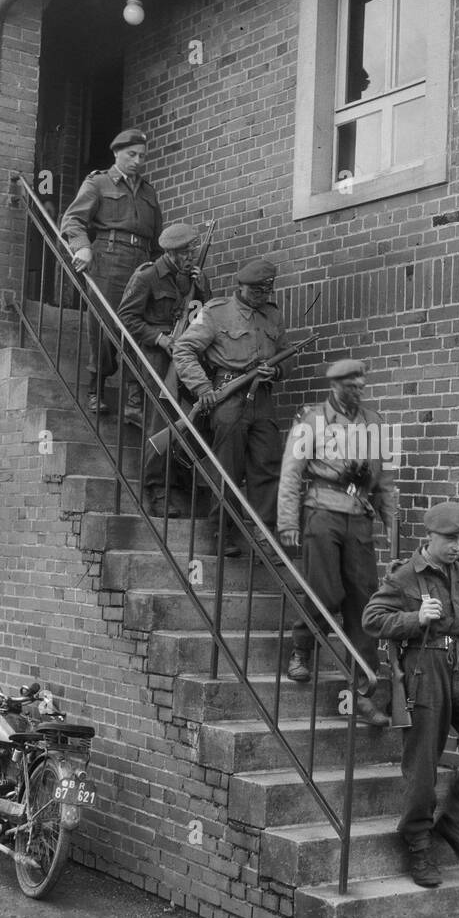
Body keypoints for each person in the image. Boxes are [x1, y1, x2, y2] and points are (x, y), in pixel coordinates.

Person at [361, 501, 459, 888]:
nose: (458, 546)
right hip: (424, 669)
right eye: (451, 539)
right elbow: (372, 619)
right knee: (424, 767)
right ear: (430, 536)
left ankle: (454, 818)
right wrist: (415, 619)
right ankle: (418, 846)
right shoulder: (405, 576)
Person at [277, 359, 396, 727]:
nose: (358, 390)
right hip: (322, 512)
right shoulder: (311, 420)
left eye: (361, 384)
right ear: (335, 385)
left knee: (365, 601)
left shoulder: (376, 424)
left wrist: (393, 527)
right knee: (324, 591)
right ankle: (302, 650)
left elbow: (386, 482)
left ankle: (363, 693)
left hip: (359, 517)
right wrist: (287, 522)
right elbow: (291, 472)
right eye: (351, 385)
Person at [168, 257, 285, 556]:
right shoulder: (218, 312)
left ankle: (266, 537)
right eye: (255, 291)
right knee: (226, 468)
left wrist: (278, 371)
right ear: (241, 286)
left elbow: (284, 353)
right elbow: (183, 349)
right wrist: (202, 388)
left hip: (262, 398)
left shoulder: (271, 315)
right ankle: (223, 532)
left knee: (268, 466)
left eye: (266, 291)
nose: (261, 297)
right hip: (228, 397)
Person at [60, 128, 165, 414]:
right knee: (105, 325)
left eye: (142, 156)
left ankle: (134, 400)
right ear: (116, 153)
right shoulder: (98, 183)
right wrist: (82, 247)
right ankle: (96, 388)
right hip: (110, 258)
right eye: (131, 154)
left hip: (143, 263)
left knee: (138, 325)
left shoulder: (148, 192)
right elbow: (72, 220)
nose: (137, 161)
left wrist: (161, 271)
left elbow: (157, 240)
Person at [116, 222, 212, 517]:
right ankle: (156, 489)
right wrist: (159, 338)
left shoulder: (188, 280)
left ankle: (181, 479)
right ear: (171, 253)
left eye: (194, 250)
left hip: (183, 357)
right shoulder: (147, 276)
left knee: (189, 417)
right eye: (187, 252)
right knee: (159, 424)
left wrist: (203, 290)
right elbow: (125, 318)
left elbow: (198, 319)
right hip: (155, 357)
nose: (192, 256)